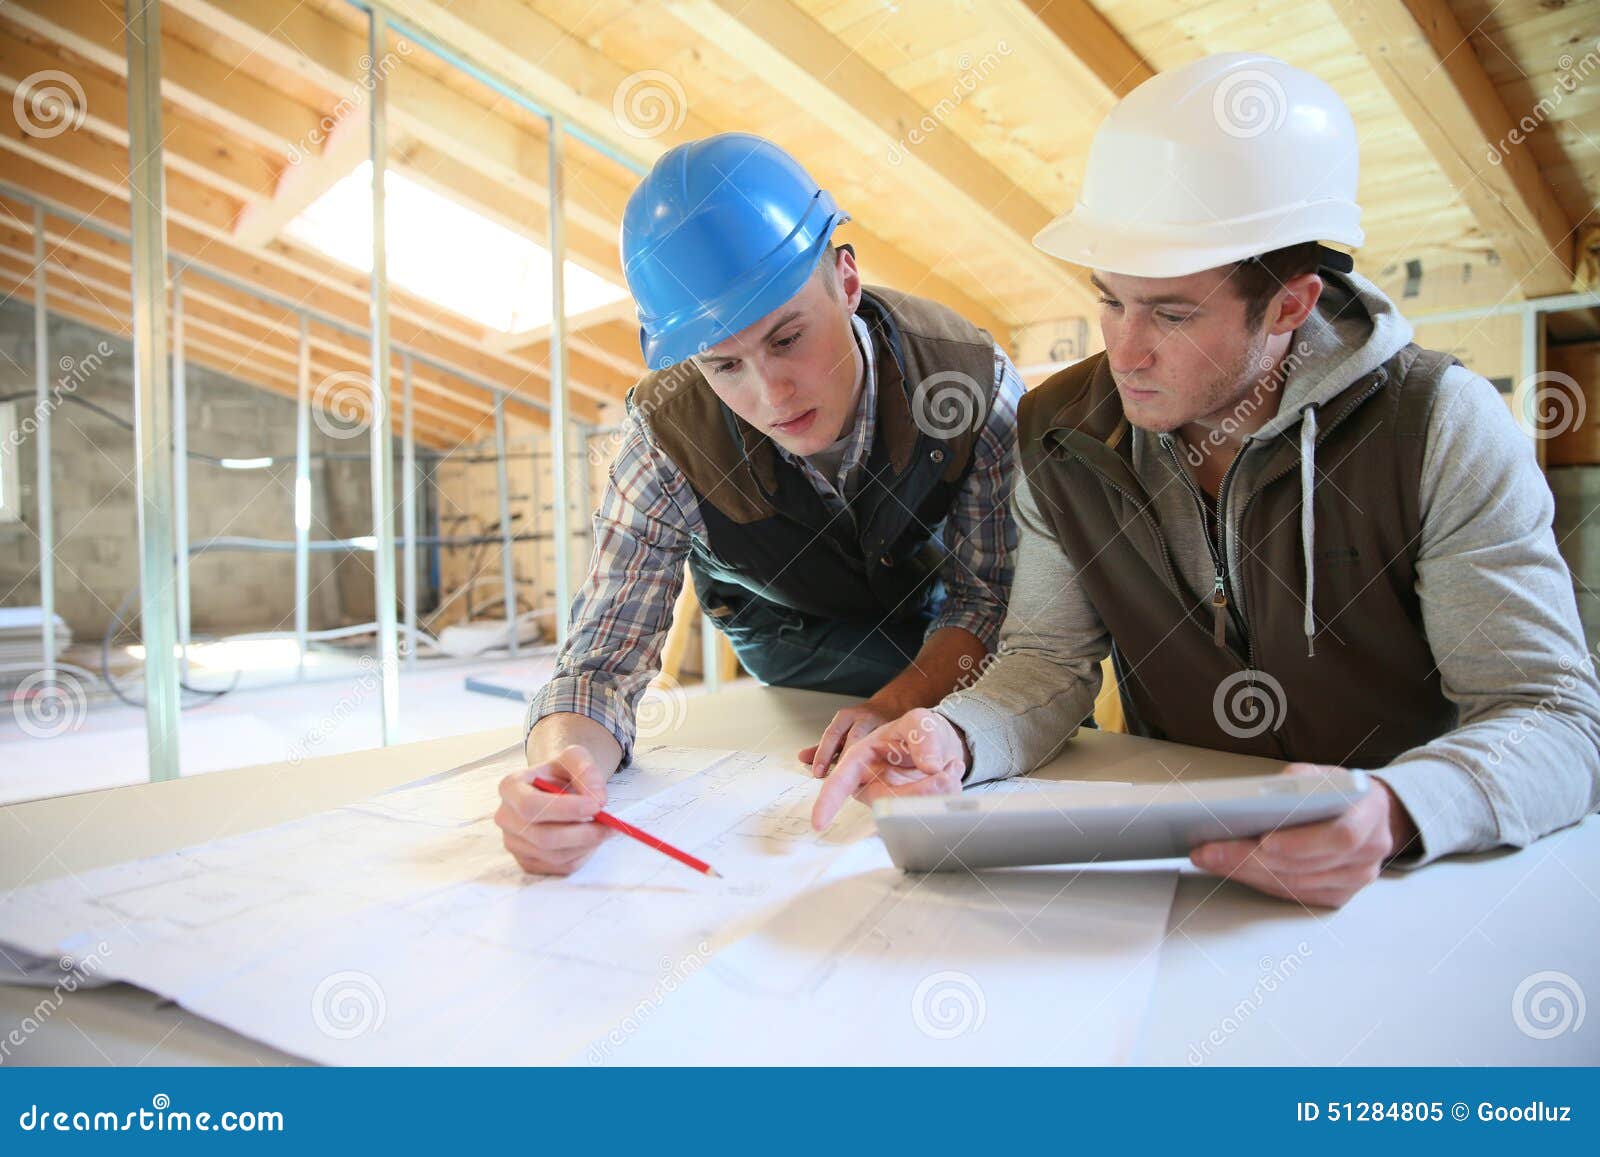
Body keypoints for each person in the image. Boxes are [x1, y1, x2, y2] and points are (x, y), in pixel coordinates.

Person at [813, 53, 1600, 908]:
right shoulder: (1058, 432)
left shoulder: (1440, 426)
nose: (1125, 349)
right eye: (1111, 299)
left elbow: (1555, 717)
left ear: (1292, 304)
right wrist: (957, 735)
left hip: (1403, 890)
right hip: (1175, 885)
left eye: (1173, 313)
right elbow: (1046, 660)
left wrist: (1397, 809)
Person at [498, 133, 1022, 875]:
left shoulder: (971, 381)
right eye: (724, 365)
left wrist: (894, 705)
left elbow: (989, 601)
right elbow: (599, 665)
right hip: (785, 647)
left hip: (946, 639)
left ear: (846, 280)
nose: (770, 394)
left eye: (788, 338)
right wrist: (560, 767)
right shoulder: (663, 433)